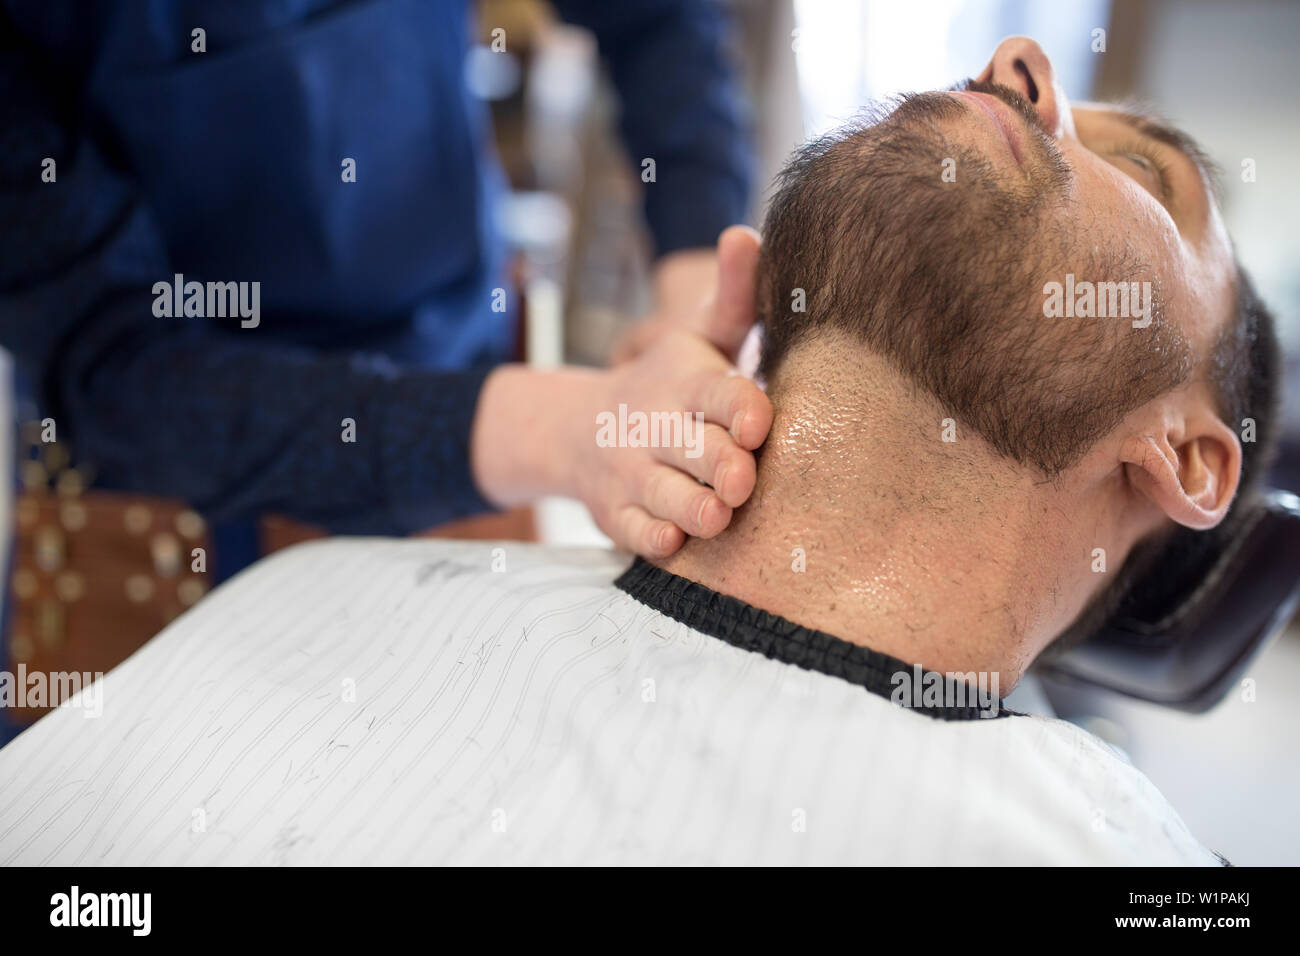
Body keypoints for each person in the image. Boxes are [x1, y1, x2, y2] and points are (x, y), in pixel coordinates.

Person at [0, 36, 1280, 865]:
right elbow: (106, 361)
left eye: (1144, 175)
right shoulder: (298, 605)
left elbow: (660, 22)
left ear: (1188, 460)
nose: (1020, 64)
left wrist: (682, 283)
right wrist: (547, 426)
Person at [0, 0, 772, 576]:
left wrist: (699, 283)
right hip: (174, 511)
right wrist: (565, 430)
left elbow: (657, 18)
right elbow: (113, 368)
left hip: (472, 404)